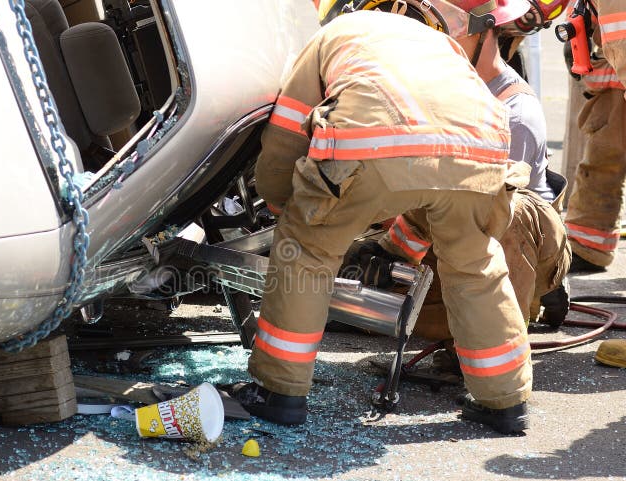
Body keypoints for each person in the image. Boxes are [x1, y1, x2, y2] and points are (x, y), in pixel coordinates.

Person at [229, 5, 534, 434]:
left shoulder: (334, 36)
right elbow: (430, 171)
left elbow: (284, 135)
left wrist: (287, 212)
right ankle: (504, 402)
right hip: (480, 155)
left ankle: (278, 391)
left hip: (373, 147)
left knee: (307, 251)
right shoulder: (441, 45)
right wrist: (394, 247)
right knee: (474, 265)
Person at [341, 0, 572, 374]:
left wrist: (396, 247)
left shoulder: (514, 113)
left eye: (447, 28)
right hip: (441, 244)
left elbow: (483, 219)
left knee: (503, 205)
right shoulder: (435, 94)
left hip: (506, 252)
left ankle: (491, 358)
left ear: (487, 32)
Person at [561, 0, 626, 272]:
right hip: (609, 73)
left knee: (602, 161)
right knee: (602, 160)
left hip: (614, 65)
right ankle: (588, 247)